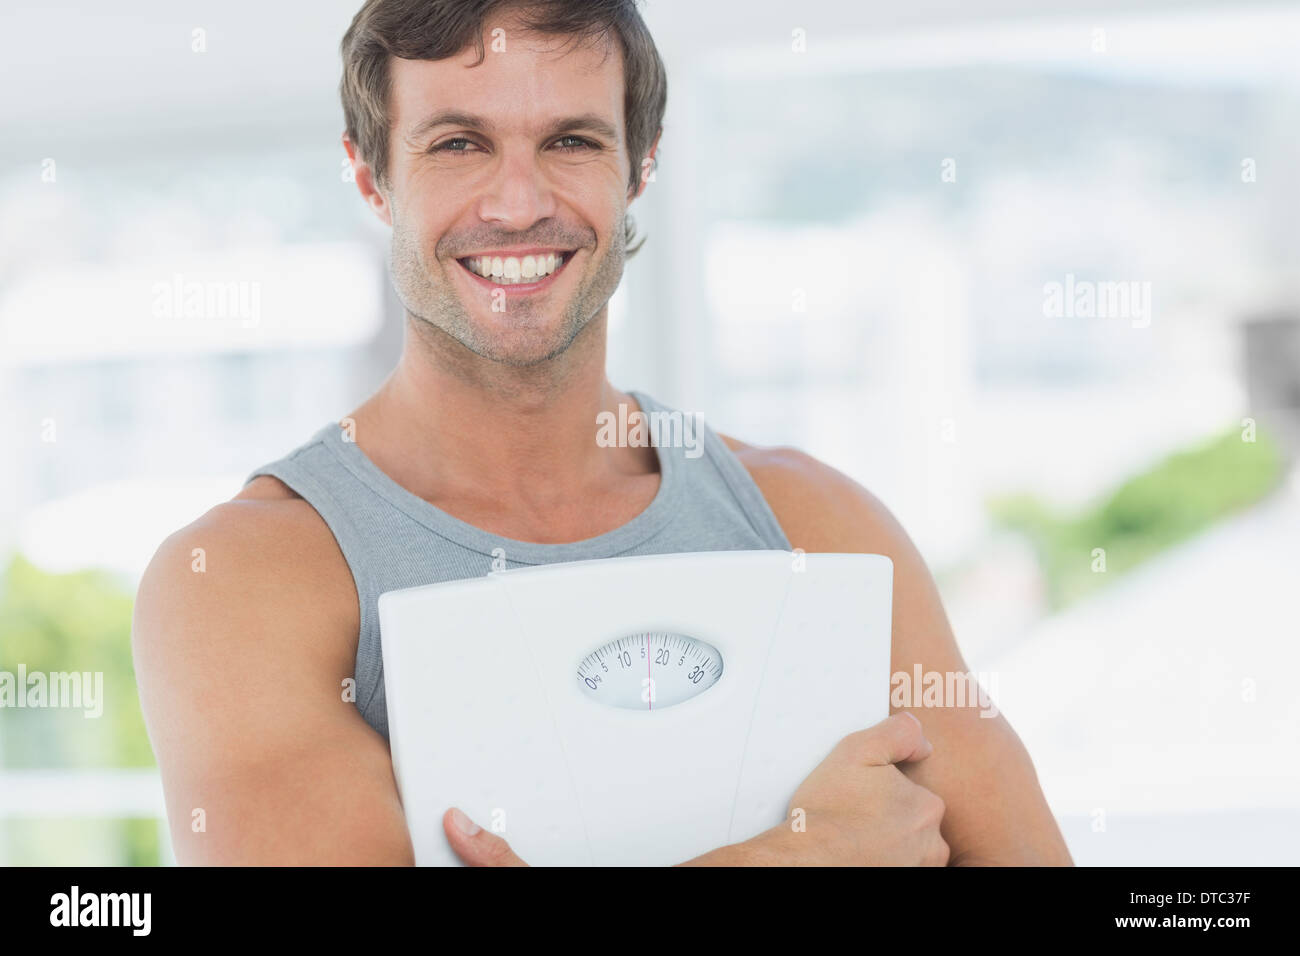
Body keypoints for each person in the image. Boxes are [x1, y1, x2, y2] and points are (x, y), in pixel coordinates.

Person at [132, 0, 1071, 866]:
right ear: (372, 176)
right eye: (459, 144)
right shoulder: (244, 582)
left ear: (641, 167)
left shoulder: (816, 523)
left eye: (571, 141)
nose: (516, 204)